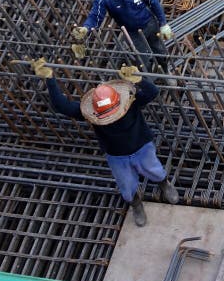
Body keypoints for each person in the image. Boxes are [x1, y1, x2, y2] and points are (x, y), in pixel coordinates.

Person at [30, 58, 178, 226]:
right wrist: (49, 79)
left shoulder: (131, 102)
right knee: (126, 186)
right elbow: (62, 106)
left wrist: (139, 79)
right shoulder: (91, 113)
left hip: (142, 148)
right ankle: (135, 204)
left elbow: (153, 92)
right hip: (117, 157)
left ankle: (164, 184)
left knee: (155, 170)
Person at [72, 0, 174, 74]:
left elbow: (154, 4)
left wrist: (163, 23)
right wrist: (86, 28)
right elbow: (95, 17)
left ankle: (165, 71)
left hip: (150, 24)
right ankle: (149, 79)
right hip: (132, 33)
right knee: (142, 60)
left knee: (160, 51)